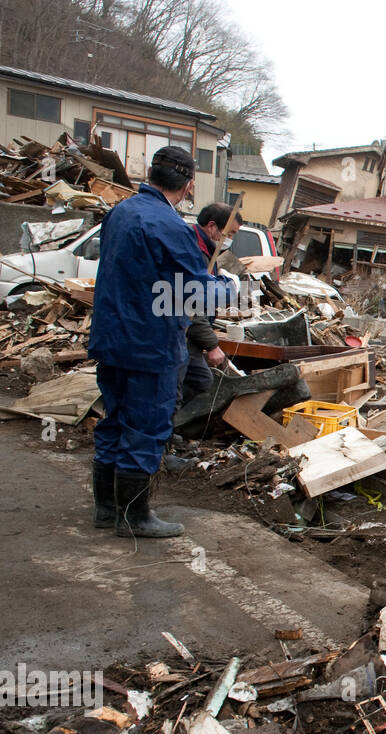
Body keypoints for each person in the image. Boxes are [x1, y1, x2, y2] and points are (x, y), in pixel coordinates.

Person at [89, 146, 235, 538]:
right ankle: (134, 517)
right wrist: (230, 286)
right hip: (149, 344)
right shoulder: (172, 228)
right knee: (147, 426)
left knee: (114, 420)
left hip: (112, 337)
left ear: (151, 173)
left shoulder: (120, 212)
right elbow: (196, 294)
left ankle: (106, 509)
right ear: (189, 185)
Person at [178, 202, 242, 404]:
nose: (230, 239)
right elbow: (191, 305)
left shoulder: (206, 251)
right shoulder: (193, 251)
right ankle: (164, 430)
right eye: (229, 233)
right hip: (182, 332)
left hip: (190, 335)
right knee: (175, 389)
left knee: (201, 380)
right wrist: (212, 345)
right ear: (212, 226)